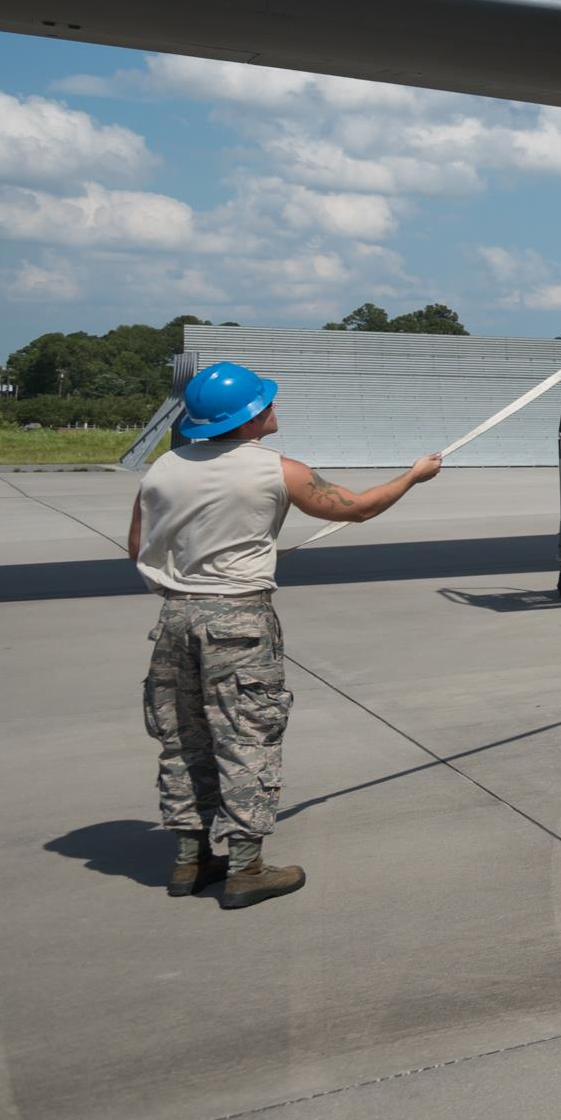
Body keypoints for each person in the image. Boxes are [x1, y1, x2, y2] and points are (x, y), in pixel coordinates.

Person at [129, 361, 441, 908]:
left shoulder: (163, 469)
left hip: (175, 619)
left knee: (184, 738)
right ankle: (245, 869)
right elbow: (359, 508)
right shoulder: (279, 470)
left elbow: (139, 548)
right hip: (239, 621)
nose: (273, 409)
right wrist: (414, 475)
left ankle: (189, 858)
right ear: (250, 417)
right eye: (266, 402)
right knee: (246, 735)